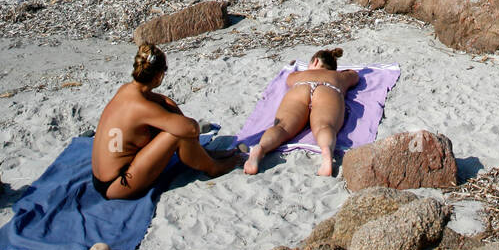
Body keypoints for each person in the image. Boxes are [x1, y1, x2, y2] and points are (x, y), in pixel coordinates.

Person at [90, 43, 241, 199]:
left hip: (101, 178)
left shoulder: (126, 89)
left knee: (169, 114)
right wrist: (185, 120)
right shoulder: (142, 107)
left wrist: (170, 104)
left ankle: (206, 155)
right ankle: (213, 167)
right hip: (118, 184)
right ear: (159, 76)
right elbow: (191, 129)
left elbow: (161, 100)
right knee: (177, 134)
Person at [244, 48, 359, 178]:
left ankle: (260, 148)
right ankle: (327, 154)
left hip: (301, 87)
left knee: (282, 127)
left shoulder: (298, 75)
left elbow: (288, 78)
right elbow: (354, 75)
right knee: (325, 126)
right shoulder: (339, 76)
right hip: (327, 89)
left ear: (315, 61)